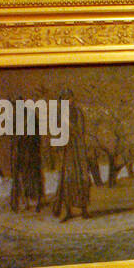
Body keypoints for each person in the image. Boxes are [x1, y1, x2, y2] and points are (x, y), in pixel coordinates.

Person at [52, 89, 90, 222]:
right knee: (67, 179)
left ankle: (84, 209)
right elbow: (56, 132)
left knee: (82, 177)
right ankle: (68, 211)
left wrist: (72, 130)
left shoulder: (78, 112)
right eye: (66, 98)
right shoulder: (58, 114)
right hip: (66, 150)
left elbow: (81, 129)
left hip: (78, 149)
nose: (69, 100)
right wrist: (59, 147)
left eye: (70, 98)